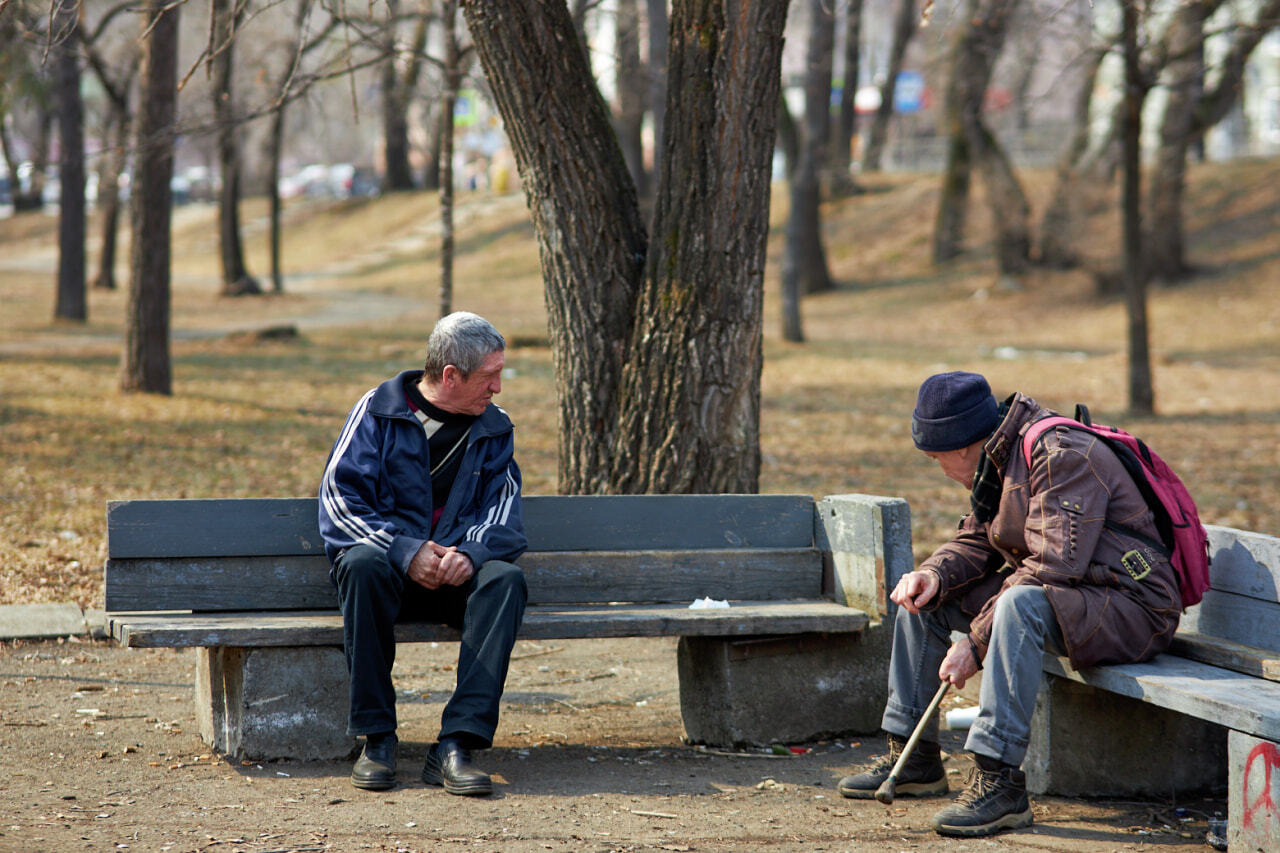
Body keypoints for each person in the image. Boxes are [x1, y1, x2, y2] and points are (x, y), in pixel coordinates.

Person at [838, 371, 1181, 837]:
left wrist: (975, 644)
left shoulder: (1061, 456)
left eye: (936, 459)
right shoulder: (1003, 455)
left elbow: (1051, 568)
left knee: (1020, 605)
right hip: (1078, 598)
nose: (939, 469)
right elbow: (979, 539)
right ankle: (913, 756)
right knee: (928, 600)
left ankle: (1000, 782)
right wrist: (933, 574)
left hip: (1132, 607)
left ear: (961, 446)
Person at [318, 311, 528, 796]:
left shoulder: (494, 428)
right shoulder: (379, 410)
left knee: (504, 581)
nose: (497, 388)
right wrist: (405, 550)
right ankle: (378, 740)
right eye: (490, 377)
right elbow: (339, 501)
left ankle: (456, 745)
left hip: (456, 584)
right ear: (451, 376)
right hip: (387, 579)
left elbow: (504, 510)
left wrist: (471, 554)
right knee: (362, 562)